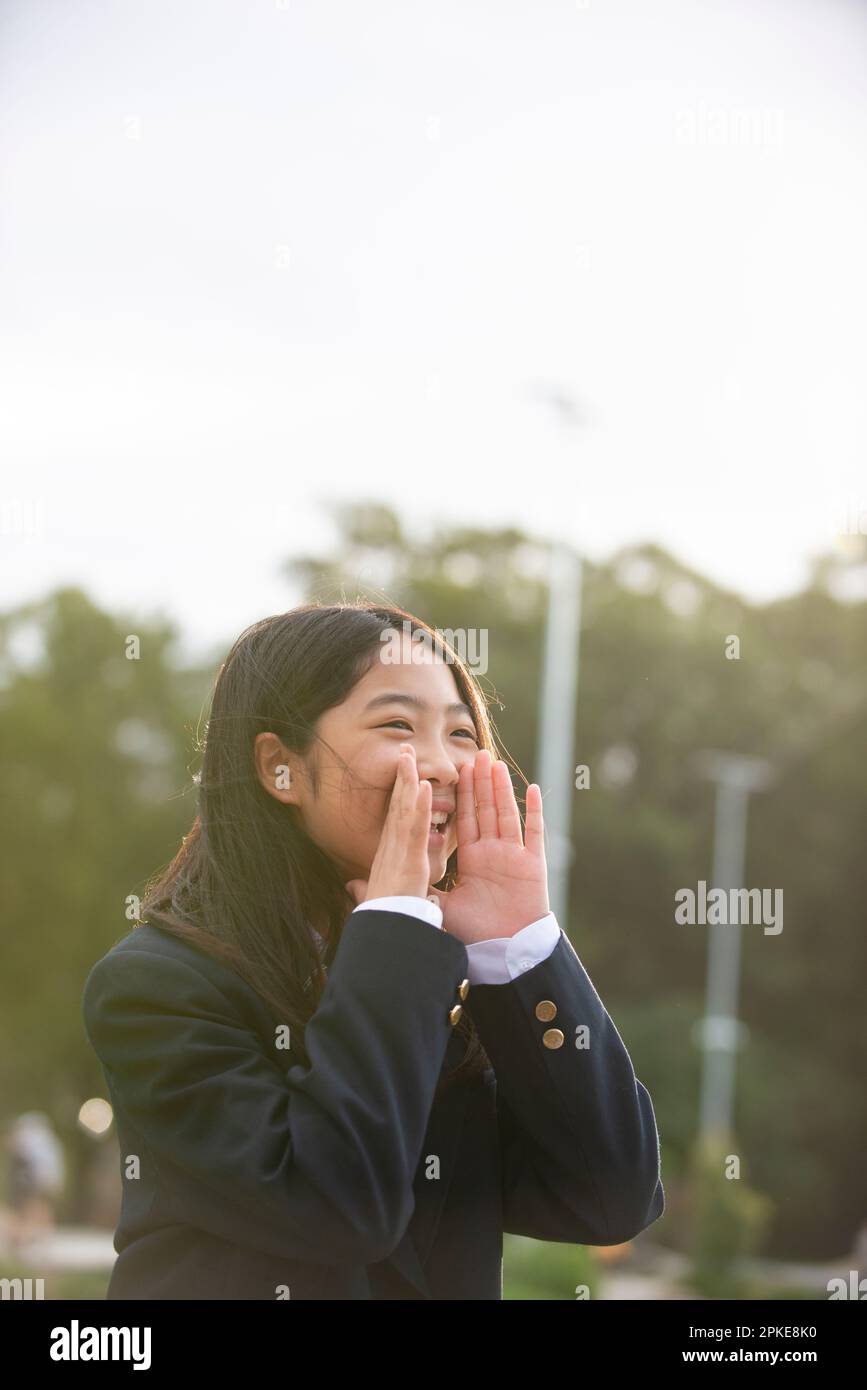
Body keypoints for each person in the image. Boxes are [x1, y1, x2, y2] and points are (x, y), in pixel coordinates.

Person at [81, 601, 664, 1300]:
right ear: (279, 768)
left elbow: (607, 1197)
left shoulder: (450, 980)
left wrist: (518, 945)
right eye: (398, 725)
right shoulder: (158, 986)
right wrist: (392, 929)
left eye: (459, 731)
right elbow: (337, 1206)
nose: (446, 764)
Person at [5, 1112, 65, 1253]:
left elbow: (21, 1152)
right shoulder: (50, 1142)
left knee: (28, 1209)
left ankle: (22, 1239)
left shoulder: (31, 1139)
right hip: (43, 1180)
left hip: (33, 1180)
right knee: (40, 1208)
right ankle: (40, 1239)